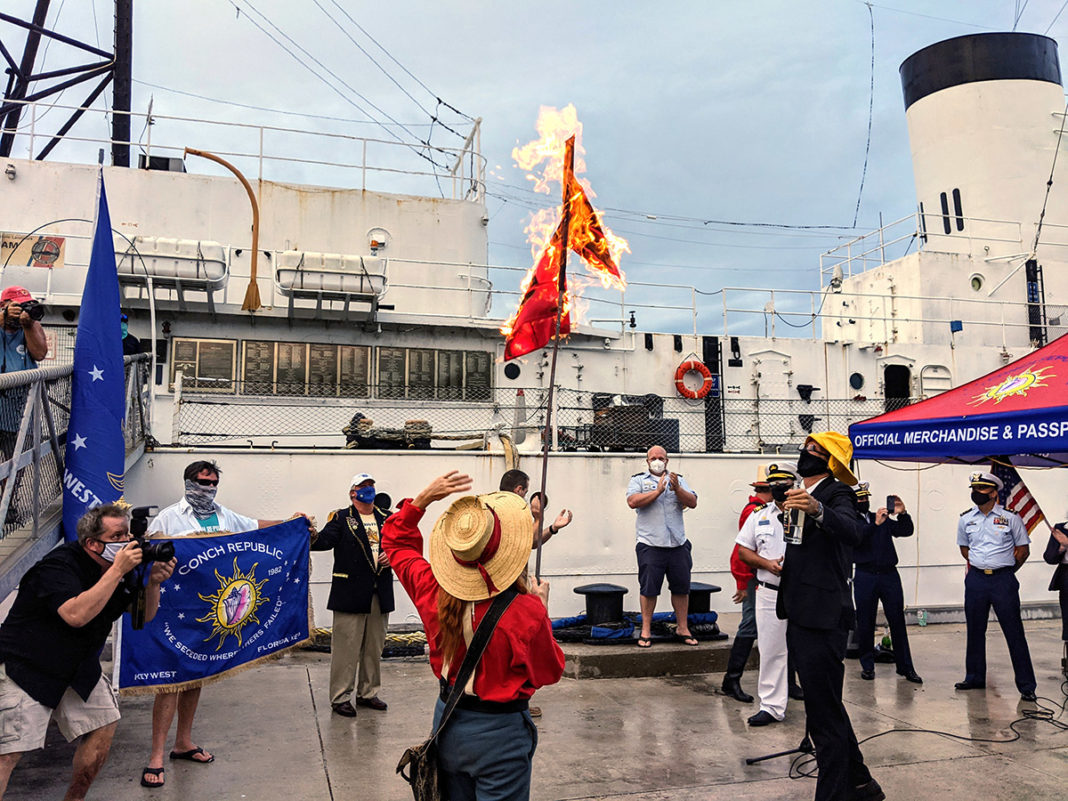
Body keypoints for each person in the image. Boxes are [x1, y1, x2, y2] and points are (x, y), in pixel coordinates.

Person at [381, 471, 564, 801]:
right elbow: (549, 671)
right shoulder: (526, 611)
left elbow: (396, 541)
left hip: (448, 722)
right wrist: (543, 610)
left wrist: (422, 500)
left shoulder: (431, 590)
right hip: (500, 736)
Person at [0, 504, 174, 800]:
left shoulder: (122, 570)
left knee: (103, 725)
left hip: (77, 667)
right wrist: (118, 569)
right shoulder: (58, 566)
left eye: (127, 534)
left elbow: (143, 617)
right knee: (9, 753)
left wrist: (153, 582)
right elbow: (75, 615)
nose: (126, 541)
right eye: (117, 535)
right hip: (27, 666)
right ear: (93, 543)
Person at [141, 460, 296, 788]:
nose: (207, 488)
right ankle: (156, 754)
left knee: (196, 677)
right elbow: (149, 557)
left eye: (212, 483)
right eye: (201, 481)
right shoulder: (169, 518)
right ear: (188, 482)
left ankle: (183, 741)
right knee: (169, 684)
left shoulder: (225, 515)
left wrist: (291, 523)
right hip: (175, 614)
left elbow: (256, 526)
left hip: (210, 617)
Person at [777, 432, 882, 801]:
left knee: (823, 718)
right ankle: (861, 784)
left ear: (831, 462)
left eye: (816, 451)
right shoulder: (799, 493)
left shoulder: (836, 492)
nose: (807, 453)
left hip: (823, 615)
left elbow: (853, 531)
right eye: (807, 448)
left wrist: (817, 510)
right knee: (827, 706)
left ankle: (834, 795)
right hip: (802, 610)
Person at [311, 472, 393, 717]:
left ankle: (368, 693)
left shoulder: (387, 518)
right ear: (352, 492)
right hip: (350, 591)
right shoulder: (342, 518)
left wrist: (394, 554)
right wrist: (308, 532)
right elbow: (322, 542)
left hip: (380, 592)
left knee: (373, 648)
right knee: (346, 648)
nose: (368, 489)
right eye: (362, 486)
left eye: (371, 485)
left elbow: (402, 543)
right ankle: (340, 697)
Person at [955, 471, 1037, 701]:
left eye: (981, 489)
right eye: (974, 489)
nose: (975, 493)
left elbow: (1023, 550)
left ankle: (1026, 685)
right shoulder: (965, 518)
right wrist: (982, 565)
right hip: (976, 580)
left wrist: (1005, 569)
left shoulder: (1011, 518)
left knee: (1014, 633)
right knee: (975, 630)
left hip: (1003, 580)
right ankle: (974, 677)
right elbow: (964, 549)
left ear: (993, 492)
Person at [736, 463, 796, 726]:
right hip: (770, 591)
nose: (778, 488)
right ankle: (771, 706)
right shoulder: (759, 515)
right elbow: (743, 550)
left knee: (809, 650)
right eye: (774, 484)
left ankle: (819, 704)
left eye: (783, 483)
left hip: (804, 592)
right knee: (771, 650)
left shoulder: (809, 512)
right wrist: (766, 564)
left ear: (794, 484)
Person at [626, 445, 699, 648]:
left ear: (667, 461)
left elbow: (692, 502)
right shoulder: (638, 480)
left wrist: (677, 489)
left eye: (661, 457)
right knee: (649, 589)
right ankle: (646, 630)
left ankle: (682, 627)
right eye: (654, 458)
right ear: (647, 461)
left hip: (677, 544)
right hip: (651, 544)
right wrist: (658, 491)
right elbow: (632, 501)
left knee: (681, 588)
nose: (657, 460)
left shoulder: (678, 479)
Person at [851, 483, 922, 684]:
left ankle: (906, 667)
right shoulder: (851, 520)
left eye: (866, 498)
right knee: (865, 622)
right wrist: (875, 524)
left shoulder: (881, 517)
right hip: (865, 575)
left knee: (897, 620)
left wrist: (903, 513)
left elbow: (905, 530)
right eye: (860, 499)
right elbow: (859, 537)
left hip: (889, 575)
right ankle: (867, 665)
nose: (864, 502)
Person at [721, 468, 771, 703]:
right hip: (755, 576)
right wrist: (742, 583)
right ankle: (731, 679)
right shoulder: (755, 512)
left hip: (761, 575)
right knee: (749, 625)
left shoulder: (757, 509)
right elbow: (742, 551)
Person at [0, 286, 48, 526]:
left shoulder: (30, 326)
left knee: (16, 462)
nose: (23, 311)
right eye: (19, 306)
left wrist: (29, 325)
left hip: (20, 407)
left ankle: (7, 506)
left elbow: (39, 353)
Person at [499, 470, 572, 546]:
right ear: (519, 489)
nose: (525, 497)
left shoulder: (495, 507)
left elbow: (533, 542)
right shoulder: (509, 514)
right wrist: (538, 518)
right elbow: (527, 543)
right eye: (525, 492)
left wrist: (553, 528)